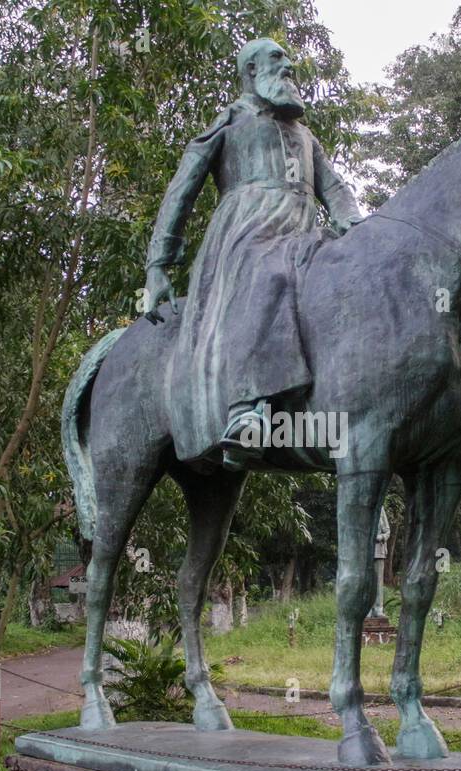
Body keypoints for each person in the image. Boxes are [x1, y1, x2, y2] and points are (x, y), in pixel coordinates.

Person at [142, 37, 364, 469]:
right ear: (250, 71)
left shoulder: (304, 136)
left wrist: (354, 225)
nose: (289, 66)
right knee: (272, 273)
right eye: (277, 59)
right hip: (246, 238)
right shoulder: (230, 124)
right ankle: (248, 408)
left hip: (303, 237)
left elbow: (335, 189)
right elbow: (180, 194)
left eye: (288, 59)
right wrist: (158, 266)